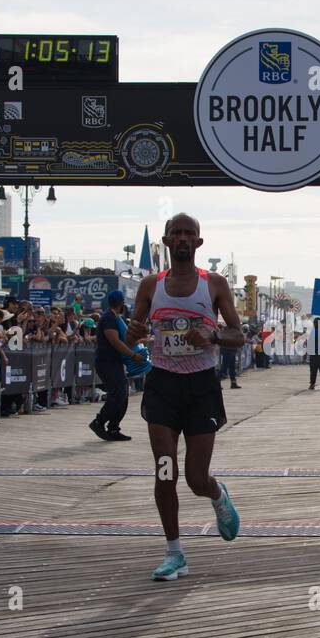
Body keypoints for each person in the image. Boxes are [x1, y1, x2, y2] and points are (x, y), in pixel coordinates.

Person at [124, 213, 243, 582]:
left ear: (199, 243)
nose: (183, 239)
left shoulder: (215, 285)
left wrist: (212, 337)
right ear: (166, 240)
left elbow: (239, 336)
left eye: (189, 234)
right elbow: (132, 337)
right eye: (176, 233)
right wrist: (134, 332)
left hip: (200, 387)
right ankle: (174, 553)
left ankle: (217, 495)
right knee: (165, 470)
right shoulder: (150, 286)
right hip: (162, 386)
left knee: (194, 477)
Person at [90, 288, 142, 441]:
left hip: (114, 362)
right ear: (121, 303)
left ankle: (113, 428)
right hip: (107, 362)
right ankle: (100, 422)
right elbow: (114, 341)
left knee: (121, 395)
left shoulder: (114, 317)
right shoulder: (108, 318)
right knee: (117, 395)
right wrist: (132, 354)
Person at [218, 322, 242, 389]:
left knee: (232, 367)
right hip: (227, 350)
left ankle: (233, 383)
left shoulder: (232, 330)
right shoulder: (226, 331)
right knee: (224, 368)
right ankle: (217, 382)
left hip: (232, 350)